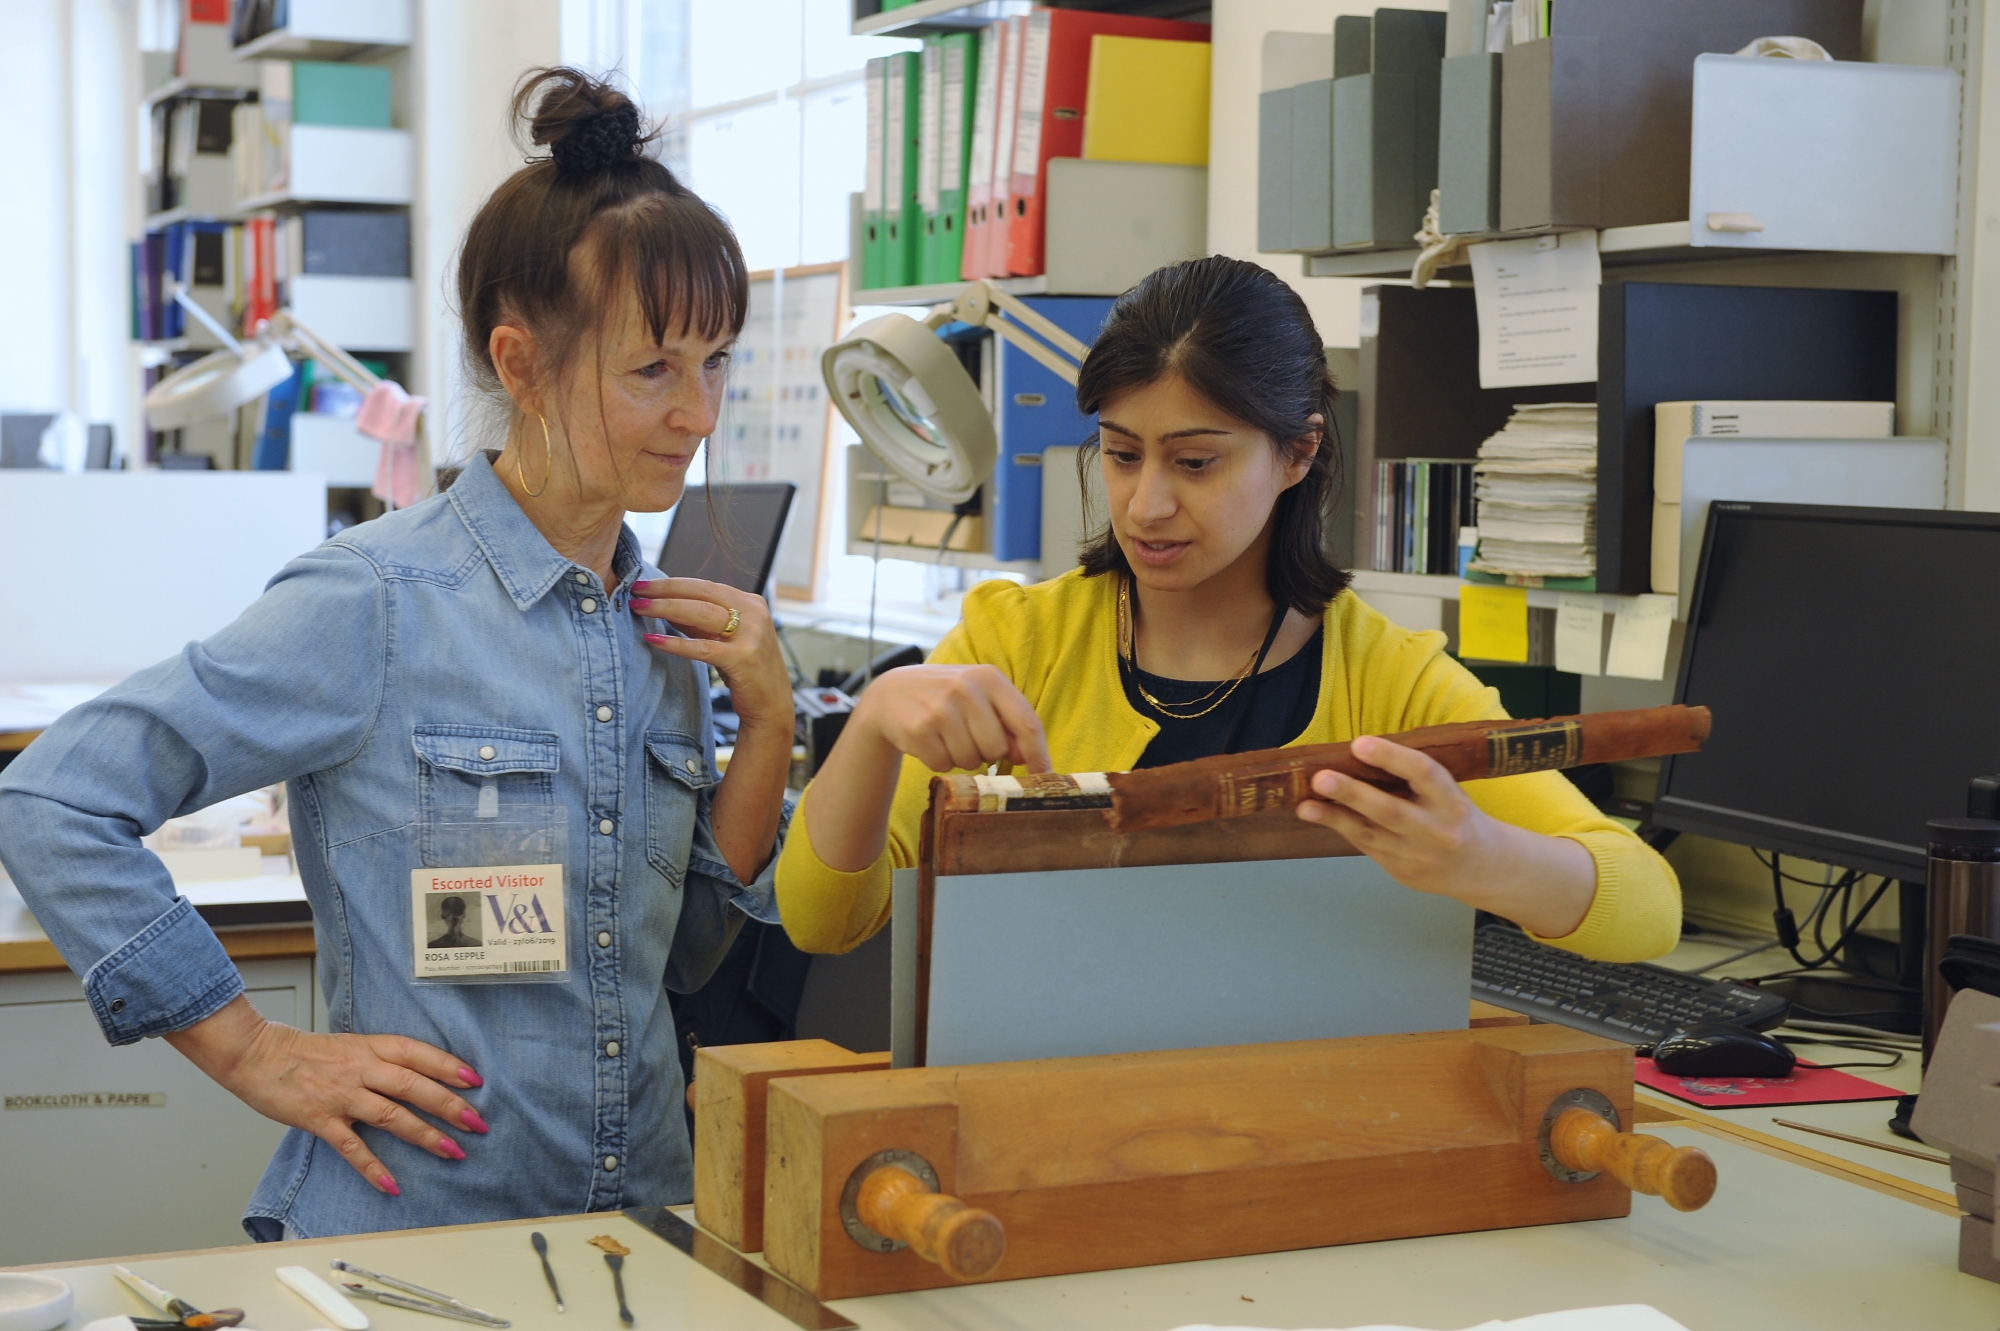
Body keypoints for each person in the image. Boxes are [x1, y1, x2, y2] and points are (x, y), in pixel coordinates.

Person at [0, 69, 798, 1239]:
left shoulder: (659, 624)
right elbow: (52, 797)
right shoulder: (376, 598)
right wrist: (255, 1048)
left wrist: (769, 721)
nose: (700, 412)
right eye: (652, 369)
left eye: (716, 362)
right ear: (519, 362)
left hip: (639, 1227)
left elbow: (677, 958)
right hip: (417, 1234)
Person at [778, 256, 1679, 963]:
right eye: (1123, 455)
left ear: (1297, 453)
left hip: (1294, 1127)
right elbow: (826, 921)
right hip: (1040, 1116)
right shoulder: (1014, 642)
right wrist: (872, 725)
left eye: (1196, 461)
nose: (1146, 505)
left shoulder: (1388, 678)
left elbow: (1649, 906)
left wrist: (1480, 857)